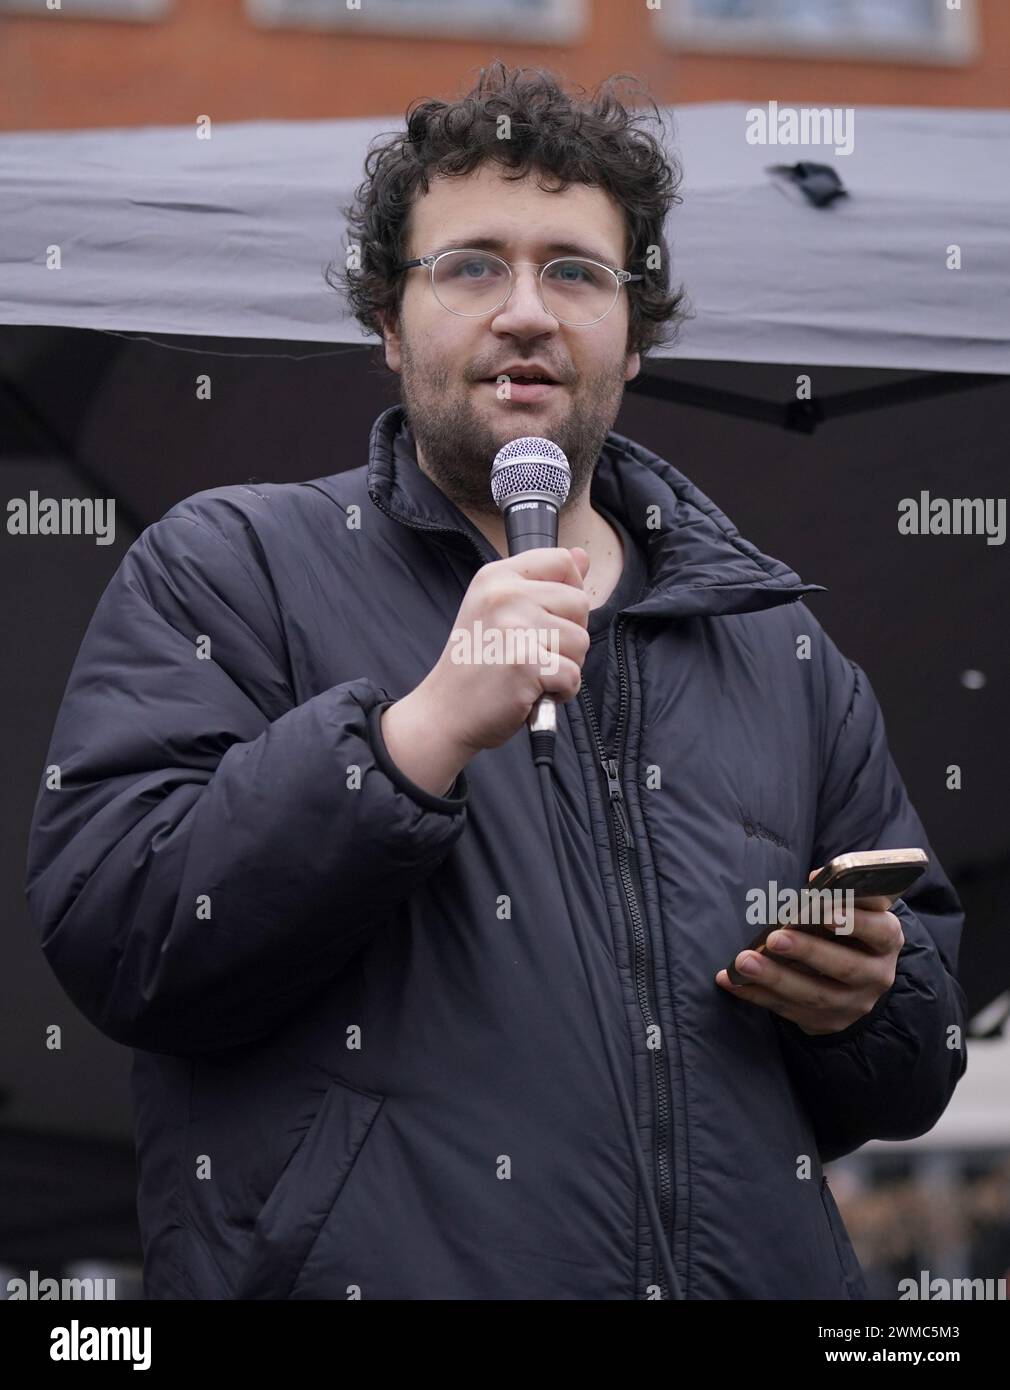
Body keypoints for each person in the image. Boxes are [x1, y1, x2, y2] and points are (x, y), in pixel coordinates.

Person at [25, 61, 968, 1301]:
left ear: (632, 340)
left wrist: (862, 992)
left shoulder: (779, 646)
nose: (526, 309)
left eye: (575, 271)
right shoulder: (230, 568)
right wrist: (409, 739)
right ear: (386, 321)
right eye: (470, 265)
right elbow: (121, 928)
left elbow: (916, 1061)